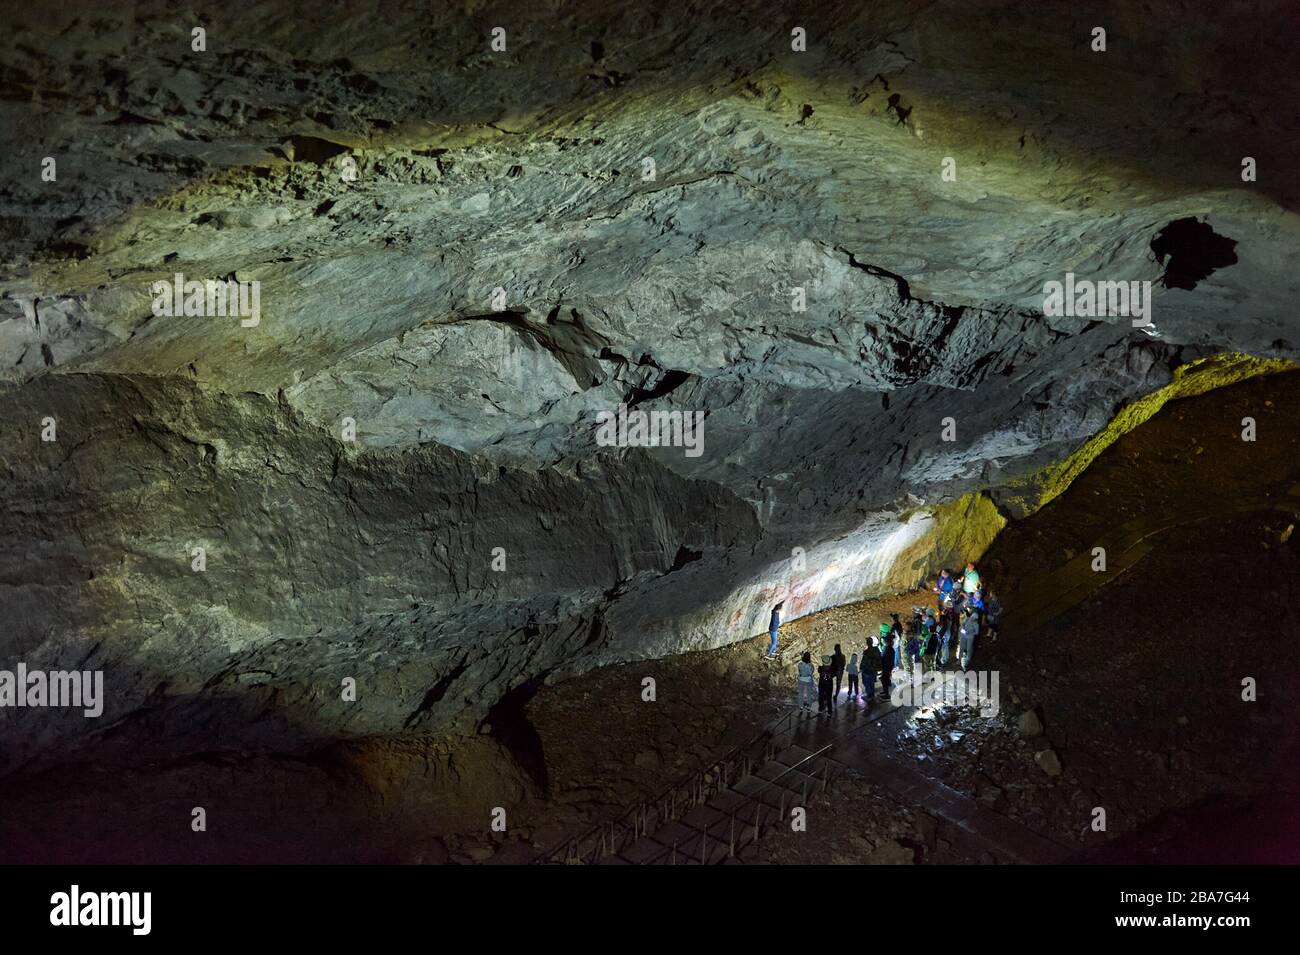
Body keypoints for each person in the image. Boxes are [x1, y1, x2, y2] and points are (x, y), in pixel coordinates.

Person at [958, 607, 981, 671]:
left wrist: (970, 632)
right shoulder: (968, 619)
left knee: (969, 648)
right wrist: (962, 628)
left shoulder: (976, 624)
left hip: (970, 636)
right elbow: (962, 623)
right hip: (964, 635)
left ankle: (967, 661)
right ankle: (959, 659)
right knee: (962, 647)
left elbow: (976, 632)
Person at [861, 638, 883, 704]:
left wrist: (861, 668)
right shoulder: (876, 649)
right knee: (872, 682)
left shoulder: (866, 652)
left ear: (867, 643)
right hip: (874, 669)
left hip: (868, 670)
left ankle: (869, 695)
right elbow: (879, 658)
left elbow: (864, 662)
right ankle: (872, 694)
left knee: (866, 682)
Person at [879, 631, 895, 702]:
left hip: (886, 667)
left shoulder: (889, 649)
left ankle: (887, 694)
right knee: (884, 680)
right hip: (886, 667)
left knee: (884, 680)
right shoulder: (887, 648)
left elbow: (887, 659)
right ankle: (885, 692)